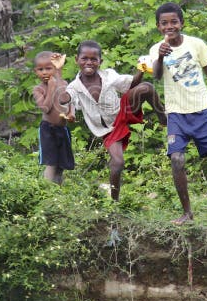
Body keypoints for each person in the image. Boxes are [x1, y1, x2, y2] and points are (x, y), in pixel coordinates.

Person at [149, 2, 207, 225]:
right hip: (176, 114)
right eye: (164, 23)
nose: (169, 27)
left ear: (181, 23)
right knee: (177, 159)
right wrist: (161, 57)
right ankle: (187, 213)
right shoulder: (156, 49)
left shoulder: (196, 44)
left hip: (202, 111)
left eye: (174, 22)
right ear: (158, 27)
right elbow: (156, 76)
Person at [65, 40, 166, 201]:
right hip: (108, 129)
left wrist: (141, 70)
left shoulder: (108, 75)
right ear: (77, 60)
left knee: (146, 87)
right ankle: (114, 201)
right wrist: (56, 77)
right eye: (84, 58)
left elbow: (131, 84)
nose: (89, 62)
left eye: (93, 59)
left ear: (100, 61)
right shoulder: (74, 86)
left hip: (122, 111)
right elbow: (67, 98)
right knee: (118, 162)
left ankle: (164, 118)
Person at [32, 51, 75, 184]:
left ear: (55, 68)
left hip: (62, 128)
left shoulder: (63, 83)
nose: (44, 72)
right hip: (48, 129)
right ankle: (47, 189)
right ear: (35, 71)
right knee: (51, 162)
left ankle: (57, 190)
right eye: (41, 69)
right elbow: (45, 108)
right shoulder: (38, 89)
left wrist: (71, 113)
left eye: (48, 68)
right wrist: (51, 88)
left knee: (61, 163)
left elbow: (68, 100)